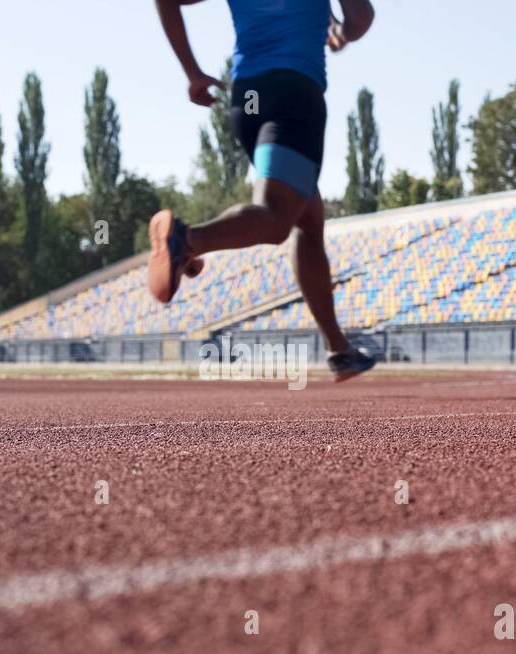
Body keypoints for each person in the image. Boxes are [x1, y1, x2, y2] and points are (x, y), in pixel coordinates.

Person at [150, 0, 378, 382]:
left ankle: (340, 349)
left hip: (250, 100)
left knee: (308, 215)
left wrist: (192, 73)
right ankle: (187, 241)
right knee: (276, 219)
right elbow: (360, 18)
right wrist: (340, 33)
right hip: (295, 95)